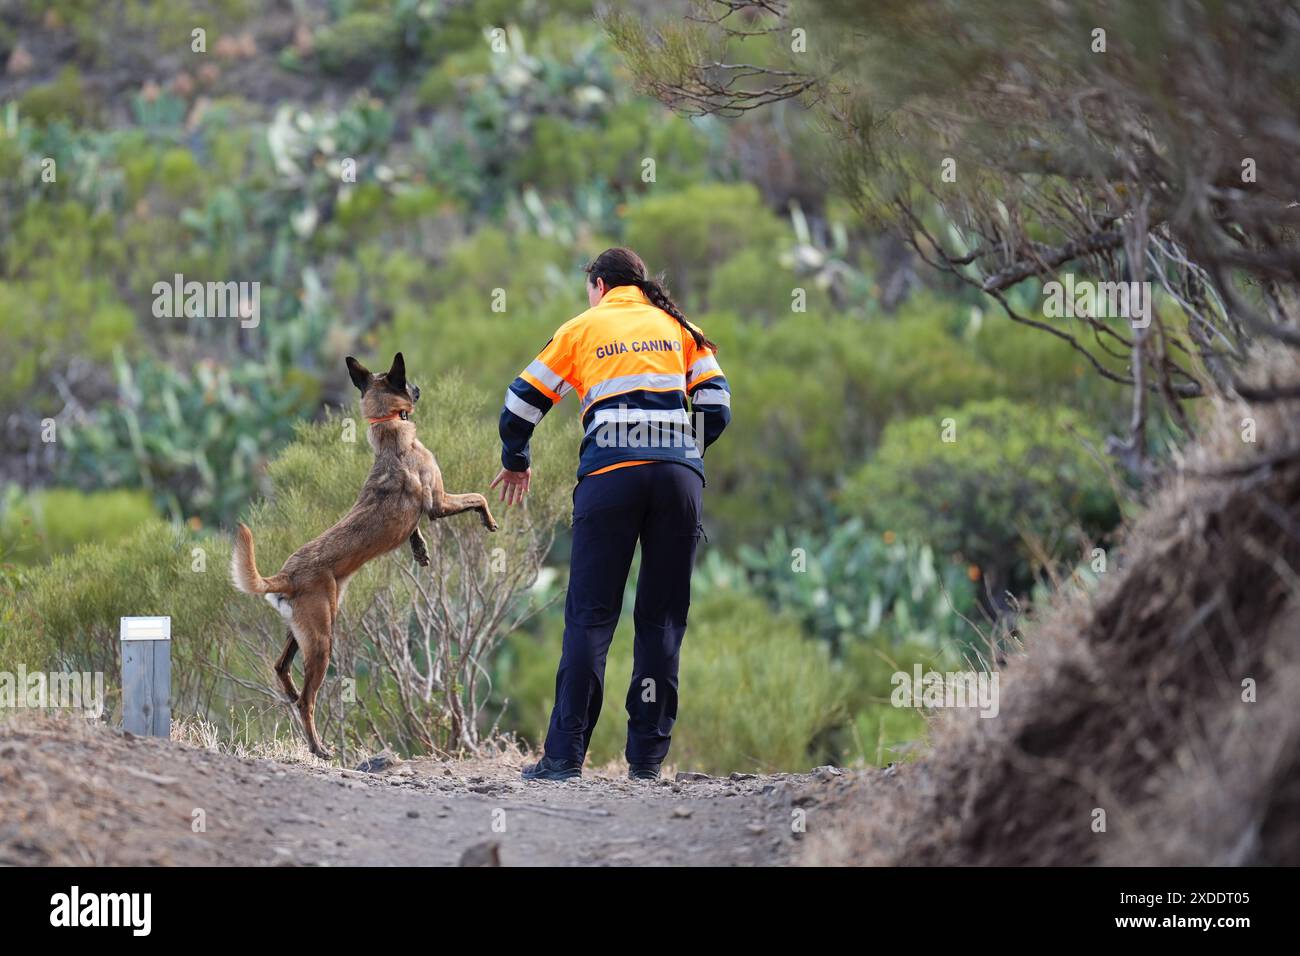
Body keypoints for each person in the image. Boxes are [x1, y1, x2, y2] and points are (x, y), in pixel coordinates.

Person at [489, 247, 732, 781]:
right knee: (662, 620)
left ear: (599, 285)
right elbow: (717, 405)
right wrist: (681, 456)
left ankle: (563, 759)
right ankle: (646, 763)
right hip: (678, 481)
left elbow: (518, 406)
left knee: (591, 618)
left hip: (608, 478)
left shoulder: (582, 328)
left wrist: (517, 461)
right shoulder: (680, 327)